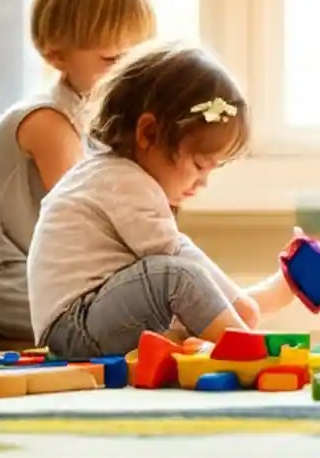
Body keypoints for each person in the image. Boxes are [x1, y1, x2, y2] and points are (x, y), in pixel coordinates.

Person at [29, 40, 295, 357]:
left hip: (84, 319)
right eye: (198, 165)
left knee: (176, 282)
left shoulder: (109, 175)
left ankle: (232, 333)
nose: (203, 182)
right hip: (76, 325)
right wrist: (241, 305)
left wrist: (241, 304)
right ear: (148, 134)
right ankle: (249, 355)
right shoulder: (124, 181)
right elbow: (174, 257)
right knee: (173, 274)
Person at [0, 0, 155, 348]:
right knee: (119, 318)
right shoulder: (50, 124)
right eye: (112, 59)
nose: (129, 72)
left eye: (138, 57)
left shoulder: (96, 119)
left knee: (135, 306)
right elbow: (87, 222)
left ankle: (6, 333)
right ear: (55, 54)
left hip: (36, 267)